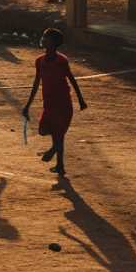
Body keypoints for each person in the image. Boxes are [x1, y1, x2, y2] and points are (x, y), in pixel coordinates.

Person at [22, 28, 88, 175]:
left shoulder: (61, 61)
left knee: (58, 134)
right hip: (49, 103)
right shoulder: (39, 61)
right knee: (44, 130)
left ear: (54, 43)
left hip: (62, 102)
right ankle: (55, 153)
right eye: (44, 36)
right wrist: (27, 105)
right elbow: (36, 83)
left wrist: (81, 100)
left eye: (47, 38)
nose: (43, 39)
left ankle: (59, 164)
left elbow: (71, 79)